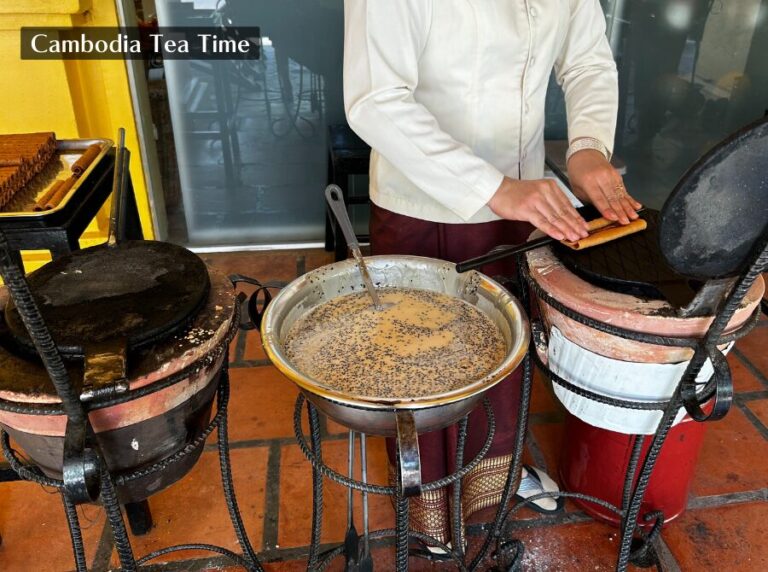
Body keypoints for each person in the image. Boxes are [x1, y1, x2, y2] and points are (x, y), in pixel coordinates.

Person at [343, 0, 642, 549]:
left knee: (503, 348)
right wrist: (495, 189)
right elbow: (375, 100)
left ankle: (493, 479)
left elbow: (587, 62)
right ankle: (427, 506)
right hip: (427, 200)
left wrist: (587, 149)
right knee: (424, 364)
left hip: (524, 196)